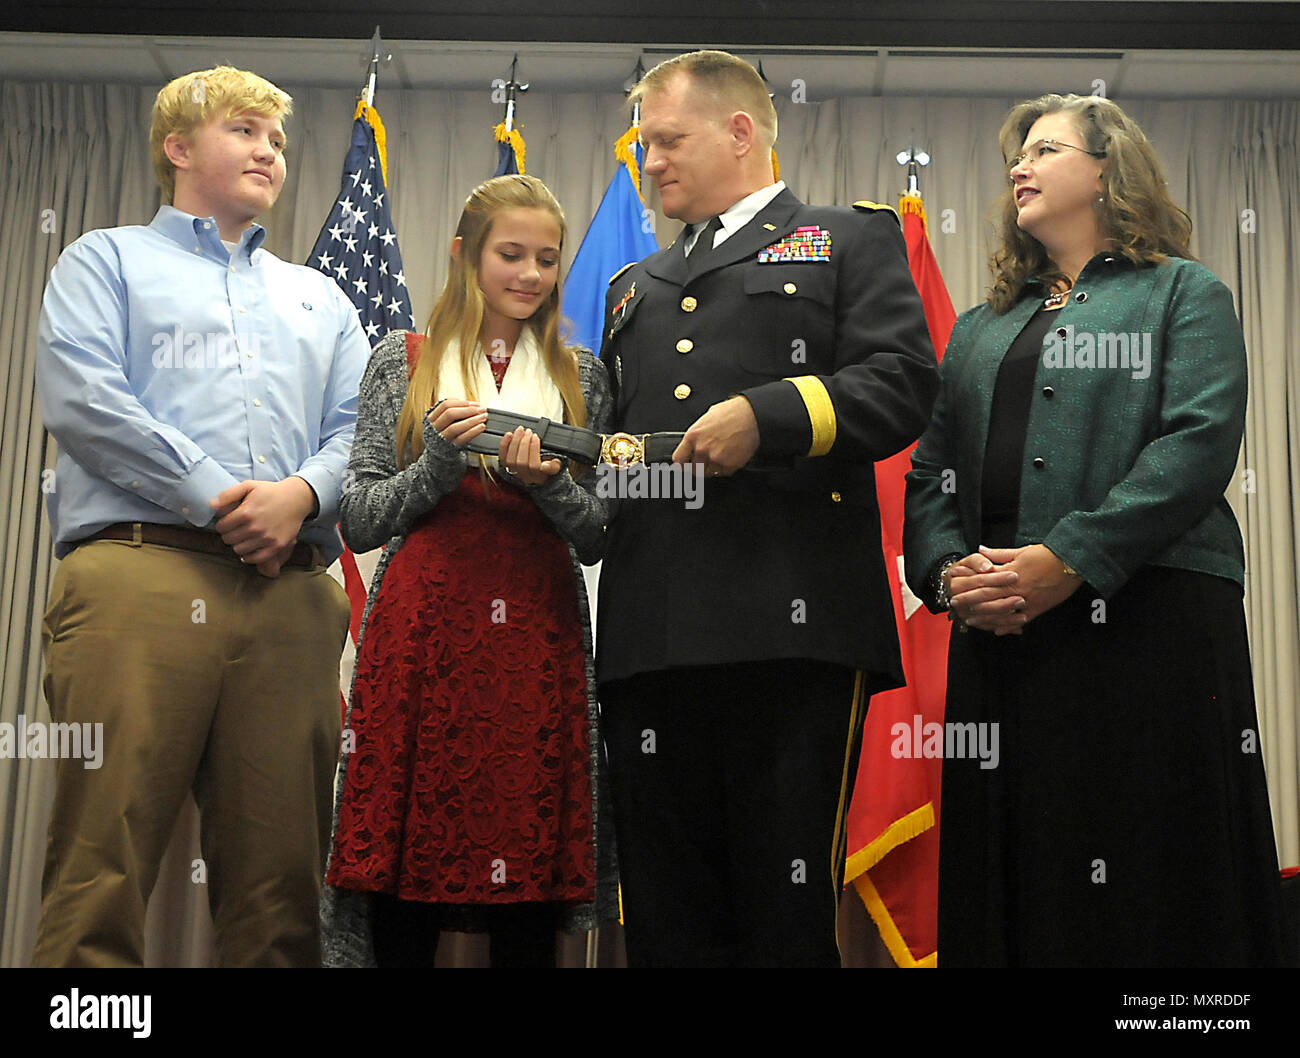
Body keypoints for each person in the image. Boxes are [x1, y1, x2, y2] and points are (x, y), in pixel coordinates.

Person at [903, 93, 1285, 967]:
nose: (1018, 169)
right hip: (1002, 630)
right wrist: (950, 579)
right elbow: (931, 474)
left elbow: (1194, 448)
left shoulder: (1186, 293)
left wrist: (1067, 559)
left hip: (1151, 625)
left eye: (1042, 149)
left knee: (1153, 860)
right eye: (1016, 157)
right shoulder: (980, 325)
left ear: (1108, 170)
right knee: (1016, 866)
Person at [596, 50, 939, 966]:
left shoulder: (840, 238)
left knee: (781, 915)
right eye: (643, 144)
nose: (650, 161)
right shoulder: (633, 285)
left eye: (667, 140)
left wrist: (770, 412)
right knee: (666, 919)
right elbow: (627, 456)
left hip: (789, 629)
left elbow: (904, 381)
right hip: (650, 635)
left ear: (740, 131)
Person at [32, 66, 366, 967]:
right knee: (101, 864)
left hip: (290, 595)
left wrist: (295, 499)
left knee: (282, 887)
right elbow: (86, 401)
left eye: (279, 141)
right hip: (139, 573)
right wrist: (227, 500)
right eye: (247, 131)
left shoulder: (323, 300)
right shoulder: (102, 260)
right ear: (179, 148)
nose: (270, 152)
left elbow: (359, 434)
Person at [321, 174, 618, 968]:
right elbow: (359, 517)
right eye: (510, 254)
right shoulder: (405, 360)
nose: (529, 275)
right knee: (401, 854)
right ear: (465, 256)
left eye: (546, 259)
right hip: (422, 633)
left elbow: (597, 534)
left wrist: (549, 486)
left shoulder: (580, 374)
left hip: (536, 634)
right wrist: (438, 465)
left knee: (526, 852)